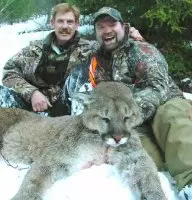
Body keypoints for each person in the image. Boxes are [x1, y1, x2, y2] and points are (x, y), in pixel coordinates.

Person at [64, 6, 192, 198]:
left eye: (112, 24)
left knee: (170, 118)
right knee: (140, 152)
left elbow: (158, 88)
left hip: (163, 103)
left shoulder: (142, 50)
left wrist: (131, 114)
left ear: (123, 26)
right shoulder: (94, 60)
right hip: (127, 121)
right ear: (96, 32)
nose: (107, 30)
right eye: (100, 27)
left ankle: (189, 181)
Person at [0, 3, 142, 117]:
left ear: (76, 24)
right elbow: (10, 72)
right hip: (33, 109)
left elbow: (114, 46)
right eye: (61, 21)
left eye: (70, 22)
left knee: (80, 75)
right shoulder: (33, 50)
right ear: (52, 23)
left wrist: (130, 35)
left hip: (67, 111)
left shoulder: (91, 49)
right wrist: (32, 93)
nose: (65, 26)